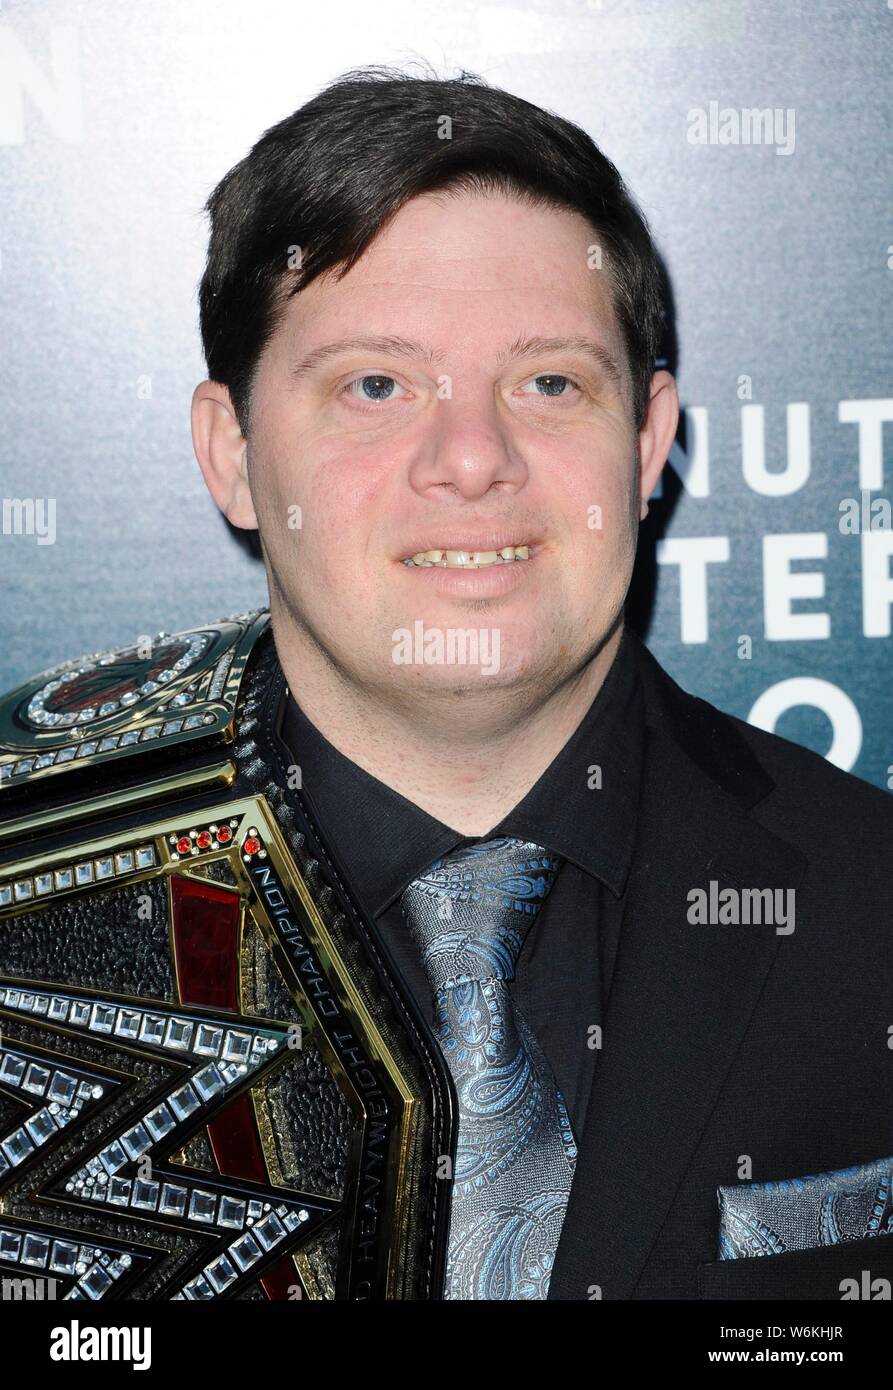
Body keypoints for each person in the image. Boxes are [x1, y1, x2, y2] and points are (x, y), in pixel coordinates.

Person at [0, 67, 890, 1302]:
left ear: (645, 442)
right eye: (375, 383)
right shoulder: (26, 912)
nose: (472, 459)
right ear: (234, 454)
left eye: (547, 384)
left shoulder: (872, 906)